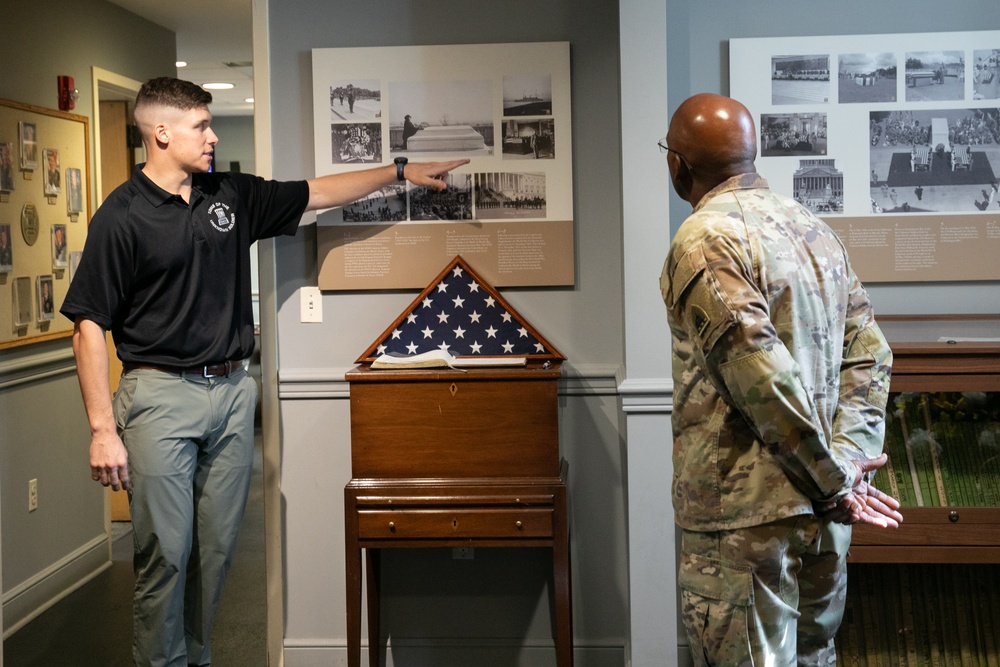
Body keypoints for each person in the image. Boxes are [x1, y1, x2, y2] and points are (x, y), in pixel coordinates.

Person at [60, 77, 467, 667]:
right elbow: (88, 325)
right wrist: (102, 427)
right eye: (201, 125)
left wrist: (400, 172)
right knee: (166, 553)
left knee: (218, 551)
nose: (212, 135)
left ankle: (192, 659)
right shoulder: (120, 218)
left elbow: (318, 193)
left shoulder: (229, 194)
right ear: (162, 132)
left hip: (231, 394)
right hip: (159, 397)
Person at [659, 93, 902, 666]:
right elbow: (870, 353)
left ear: (678, 164)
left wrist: (836, 481)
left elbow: (760, 378)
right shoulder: (813, 230)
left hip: (746, 523)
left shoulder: (703, 239)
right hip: (823, 520)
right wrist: (845, 463)